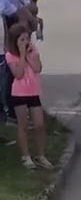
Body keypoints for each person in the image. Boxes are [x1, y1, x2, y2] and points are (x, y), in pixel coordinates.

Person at [0, 0, 37, 123]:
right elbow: (2, 0)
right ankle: (8, 108)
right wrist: (20, 13)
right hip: (5, 21)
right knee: (6, 64)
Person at [6, 24, 51, 170]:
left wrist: (31, 55)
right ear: (15, 41)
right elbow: (18, 74)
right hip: (19, 93)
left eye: (27, 38)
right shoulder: (10, 55)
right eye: (22, 39)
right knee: (23, 125)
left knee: (39, 124)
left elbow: (38, 68)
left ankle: (41, 155)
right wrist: (22, 54)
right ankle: (26, 156)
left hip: (33, 91)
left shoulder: (33, 51)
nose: (26, 42)